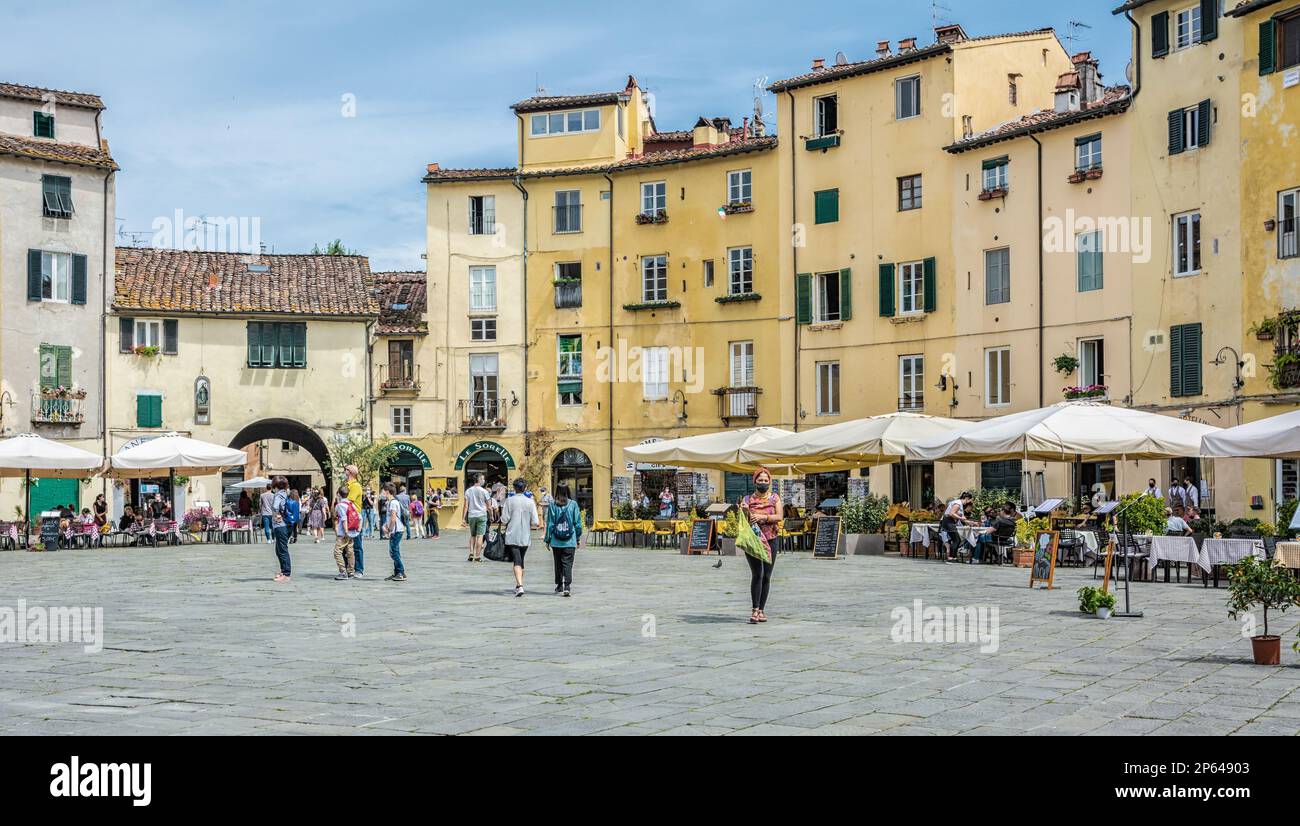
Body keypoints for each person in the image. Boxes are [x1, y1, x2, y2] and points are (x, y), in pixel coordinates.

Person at [739, 468, 781, 624]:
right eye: (760, 480)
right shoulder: (748, 499)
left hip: (771, 538)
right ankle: (755, 609)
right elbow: (743, 519)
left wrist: (762, 517)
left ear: (769, 482)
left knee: (767, 575)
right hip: (754, 540)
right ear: (755, 481)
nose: (763, 482)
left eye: (765, 480)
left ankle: (762, 610)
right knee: (757, 573)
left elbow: (780, 516)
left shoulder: (775, 498)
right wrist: (743, 511)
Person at [501, 478, 541, 596]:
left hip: (512, 534)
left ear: (514, 488)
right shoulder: (530, 502)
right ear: (525, 488)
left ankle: (520, 586)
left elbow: (504, 519)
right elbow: (535, 521)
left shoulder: (510, 501)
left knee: (517, 561)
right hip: (525, 536)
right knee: (520, 560)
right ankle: (518, 585)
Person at [544, 483, 583, 597]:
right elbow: (578, 524)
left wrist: (548, 539)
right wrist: (578, 538)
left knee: (558, 563)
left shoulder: (553, 505)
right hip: (570, 540)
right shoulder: (573, 504)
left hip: (556, 540)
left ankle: (559, 585)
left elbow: (550, 523)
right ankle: (567, 586)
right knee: (568, 564)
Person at [462, 473, 492, 562]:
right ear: (479, 480)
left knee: (473, 535)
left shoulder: (468, 491)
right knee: (480, 536)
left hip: (471, 516)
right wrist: (491, 515)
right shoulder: (484, 491)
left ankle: (471, 553)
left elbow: (465, 506)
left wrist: (463, 518)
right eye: (482, 479)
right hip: (482, 515)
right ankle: (478, 556)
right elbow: (489, 506)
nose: (483, 480)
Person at [940, 491, 976, 563]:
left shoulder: (960, 505)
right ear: (966, 498)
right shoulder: (958, 503)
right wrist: (960, 518)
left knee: (956, 540)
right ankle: (950, 557)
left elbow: (962, 516)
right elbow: (951, 513)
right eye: (969, 500)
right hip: (948, 521)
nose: (969, 502)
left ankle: (953, 557)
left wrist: (970, 522)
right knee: (957, 540)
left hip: (950, 522)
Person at [332, 488, 360, 580]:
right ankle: (351, 571)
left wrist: (346, 531)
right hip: (352, 531)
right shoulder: (351, 504)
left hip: (344, 532)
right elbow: (359, 517)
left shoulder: (340, 505)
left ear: (339, 494)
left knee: (337, 552)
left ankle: (343, 572)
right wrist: (358, 529)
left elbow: (343, 518)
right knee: (350, 551)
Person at [383, 482, 407, 582]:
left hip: (396, 530)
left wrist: (389, 529)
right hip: (396, 529)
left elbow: (393, 518)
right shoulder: (392, 502)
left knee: (394, 552)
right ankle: (397, 572)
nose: (382, 493)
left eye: (383, 491)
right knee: (394, 551)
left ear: (387, 491)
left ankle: (401, 572)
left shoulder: (393, 503)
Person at [269, 476, 292, 582]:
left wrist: (276, 514)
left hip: (280, 525)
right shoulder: (285, 493)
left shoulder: (278, 495)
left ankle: (286, 574)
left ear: (275, 485)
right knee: (279, 550)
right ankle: (283, 571)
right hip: (284, 525)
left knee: (282, 550)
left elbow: (275, 507)